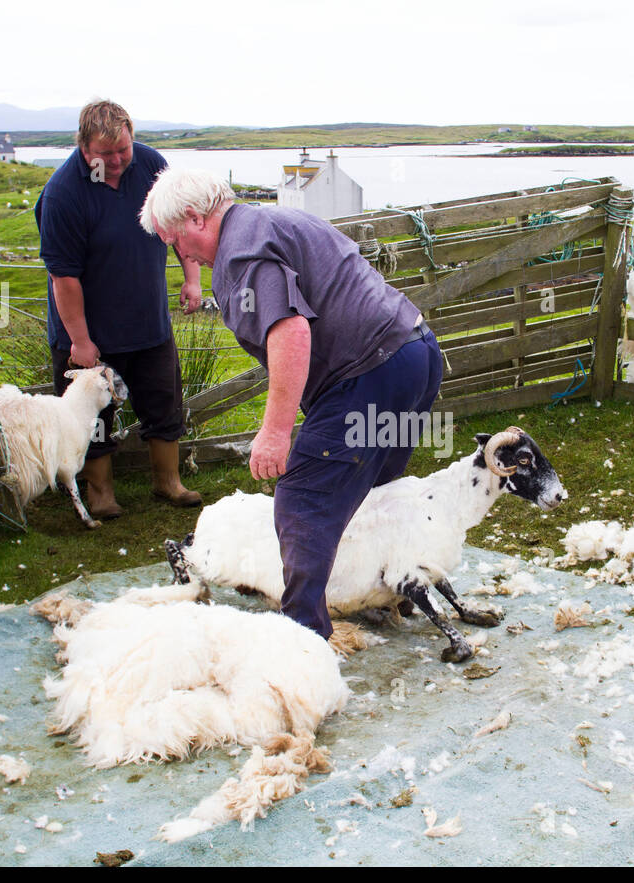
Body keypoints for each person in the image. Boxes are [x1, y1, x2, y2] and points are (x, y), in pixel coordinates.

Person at [138, 168, 443, 639]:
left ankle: (302, 643)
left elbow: (290, 331)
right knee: (369, 487)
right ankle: (384, 589)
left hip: (369, 372)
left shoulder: (240, 254)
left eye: (174, 241)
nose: (179, 254)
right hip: (415, 355)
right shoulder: (269, 221)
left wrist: (276, 433)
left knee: (303, 499)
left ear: (196, 218)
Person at [34, 100, 202, 518]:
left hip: (148, 324)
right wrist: (81, 341)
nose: (115, 161)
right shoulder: (62, 194)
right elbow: (64, 278)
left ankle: (168, 483)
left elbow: (179, 223)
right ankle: (100, 493)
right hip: (90, 333)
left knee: (164, 403)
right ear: (83, 146)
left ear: (132, 138)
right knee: (92, 414)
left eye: (122, 150)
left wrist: (193, 277)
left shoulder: (149, 166)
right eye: (104, 154)